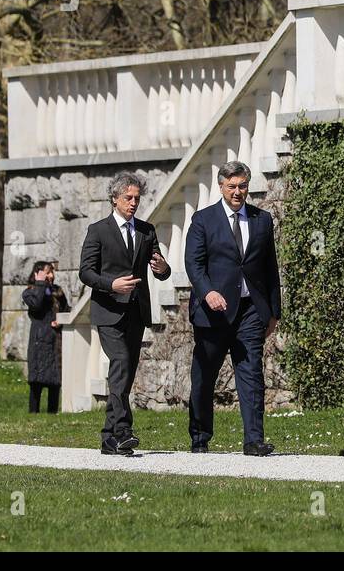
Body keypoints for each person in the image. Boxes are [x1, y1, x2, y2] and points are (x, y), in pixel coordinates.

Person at [184, 161, 281, 456]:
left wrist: (274, 312)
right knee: (204, 377)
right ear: (221, 186)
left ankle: (254, 440)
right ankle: (200, 436)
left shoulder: (261, 220)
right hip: (213, 312)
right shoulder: (203, 220)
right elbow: (193, 264)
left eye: (242, 186)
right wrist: (207, 292)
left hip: (250, 311)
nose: (237, 192)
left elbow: (269, 267)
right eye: (232, 186)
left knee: (251, 374)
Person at [77, 172, 170, 455]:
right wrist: (111, 284)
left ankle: (109, 438)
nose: (133, 203)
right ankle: (124, 430)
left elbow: (161, 269)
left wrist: (163, 269)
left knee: (125, 373)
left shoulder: (146, 230)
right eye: (128, 198)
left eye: (137, 199)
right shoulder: (98, 230)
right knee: (120, 362)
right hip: (108, 311)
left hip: (136, 312)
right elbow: (86, 272)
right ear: (115, 199)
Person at [22, 261, 68, 413]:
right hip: (39, 340)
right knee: (37, 380)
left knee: (55, 380)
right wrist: (40, 283)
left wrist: (60, 322)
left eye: (52, 272)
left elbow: (66, 310)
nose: (51, 276)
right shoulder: (30, 291)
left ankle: (52, 413)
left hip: (55, 340)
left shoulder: (58, 291)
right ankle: (33, 412)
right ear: (37, 273)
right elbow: (36, 304)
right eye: (47, 272)